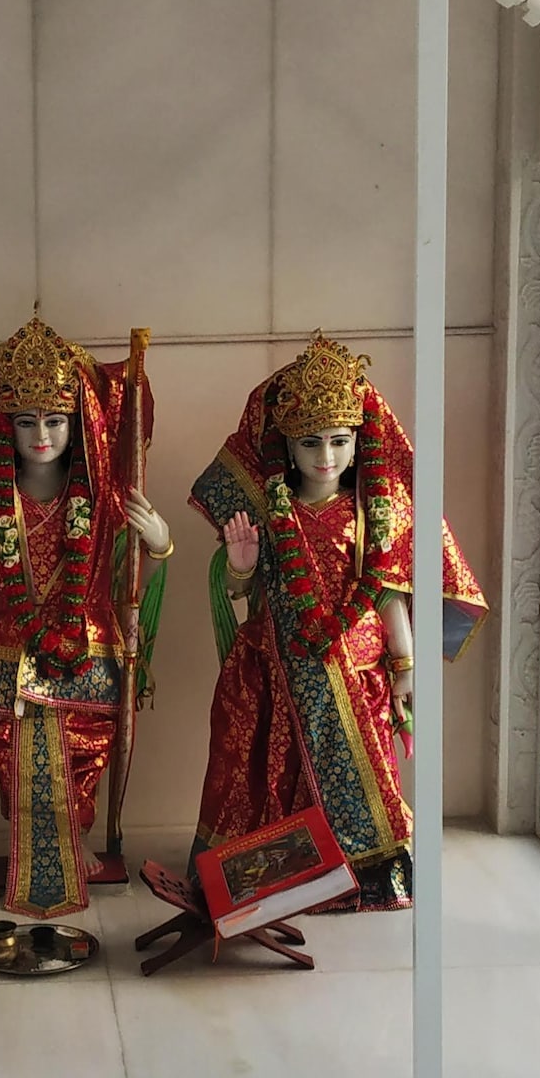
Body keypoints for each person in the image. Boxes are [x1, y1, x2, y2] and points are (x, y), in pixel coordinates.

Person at [187, 333, 487, 914]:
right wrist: (242, 565)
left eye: (339, 441)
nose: (325, 456)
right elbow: (244, 591)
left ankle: (367, 873)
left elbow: (387, 591)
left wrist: (405, 666)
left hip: (359, 669)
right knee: (274, 768)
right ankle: (279, 874)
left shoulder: (372, 512)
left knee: (366, 769)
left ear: (358, 442)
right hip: (280, 663)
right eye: (311, 442)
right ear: (287, 444)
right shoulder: (270, 510)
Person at [0, 314, 170, 917]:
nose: (41, 435)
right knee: (12, 749)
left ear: (77, 422)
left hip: (83, 641)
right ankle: (28, 839)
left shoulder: (103, 494)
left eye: (55, 421)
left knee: (83, 747)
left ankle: (76, 836)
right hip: (4, 641)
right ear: (4, 426)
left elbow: (129, 573)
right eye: (27, 422)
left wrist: (160, 544)